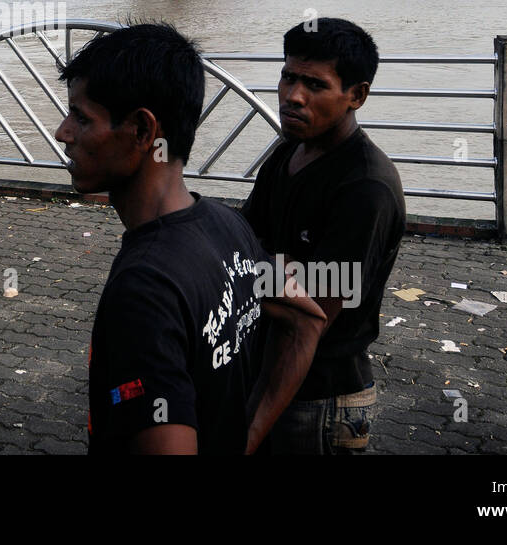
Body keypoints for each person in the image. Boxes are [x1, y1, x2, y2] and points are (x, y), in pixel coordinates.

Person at [54, 24, 325, 455]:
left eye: (81, 117)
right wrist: (247, 437)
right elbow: (306, 319)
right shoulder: (226, 224)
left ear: (143, 132)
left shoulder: (144, 289)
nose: (62, 133)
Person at [242, 17, 406, 454]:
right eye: (288, 77)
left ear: (357, 95)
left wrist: (251, 430)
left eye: (315, 85)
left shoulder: (365, 188)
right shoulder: (287, 154)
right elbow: (247, 244)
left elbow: (308, 317)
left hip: (322, 403)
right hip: (268, 377)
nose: (293, 96)